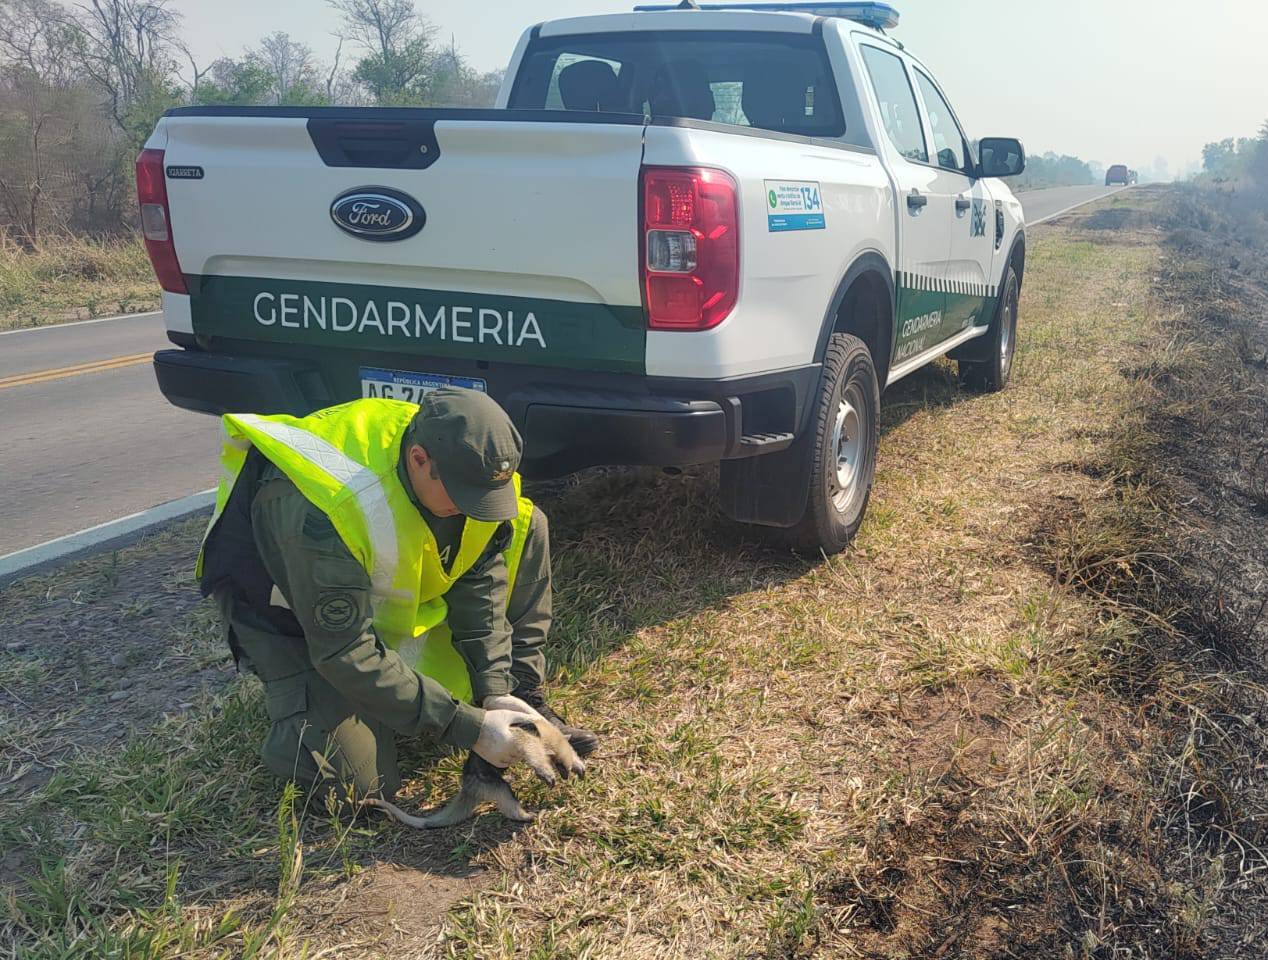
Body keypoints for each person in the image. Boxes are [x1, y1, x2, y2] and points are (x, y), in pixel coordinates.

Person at [197, 386, 597, 802]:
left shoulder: (474, 461)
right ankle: (301, 712)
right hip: (294, 620)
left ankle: (522, 699)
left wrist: (495, 688)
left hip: (379, 598)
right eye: (462, 497)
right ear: (419, 459)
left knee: (528, 526)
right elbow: (344, 650)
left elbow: (477, 574)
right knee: (356, 785)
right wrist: (467, 728)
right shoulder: (321, 510)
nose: (471, 508)